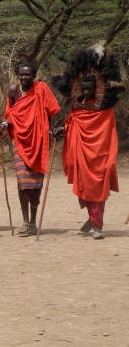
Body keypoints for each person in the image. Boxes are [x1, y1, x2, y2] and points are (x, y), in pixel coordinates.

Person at [0, 63, 61, 237]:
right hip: (19, 141)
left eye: (28, 75)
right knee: (22, 182)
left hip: (38, 140)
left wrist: (50, 128)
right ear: (18, 75)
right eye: (21, 75)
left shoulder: (41, 89)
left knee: (35, 183)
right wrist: (5, 123)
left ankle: (32, 222)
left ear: (34, 76)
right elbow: (10, 113)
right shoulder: (13, 91)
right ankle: (25, 221)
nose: (24, 78)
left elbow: (51, 110)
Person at [59, 75, 119, 240]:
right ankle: (93, 220)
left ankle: (97, 226)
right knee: (86, 188)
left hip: (101, 154)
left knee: (99, 188)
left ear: (96, 89)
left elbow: (110, 132)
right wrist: (62, 130)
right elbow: (71, 124)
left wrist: (110, 155)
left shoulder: (106, 107)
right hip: (81, 153)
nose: (86, 91)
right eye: (83, 88)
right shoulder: (76, 106)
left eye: (89, 88)